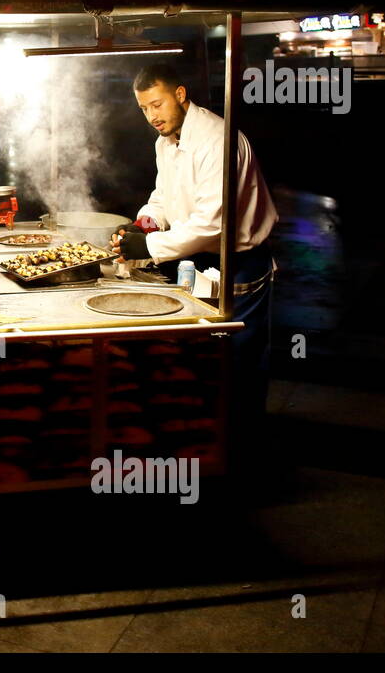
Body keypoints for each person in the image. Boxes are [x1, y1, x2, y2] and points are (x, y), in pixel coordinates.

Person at [110, 64, 279, 456]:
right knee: (201, 356)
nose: (152, 116)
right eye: (144, 109)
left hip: (241, 263)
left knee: (239, 359)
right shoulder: (166, 140)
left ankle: (243, 450)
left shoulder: (216, 141)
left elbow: (211, 224)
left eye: (157, 104)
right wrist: (146, 224)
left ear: (181, 94)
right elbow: (164, 195)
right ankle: (202, 446)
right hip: (199, 261)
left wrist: (147, 249)